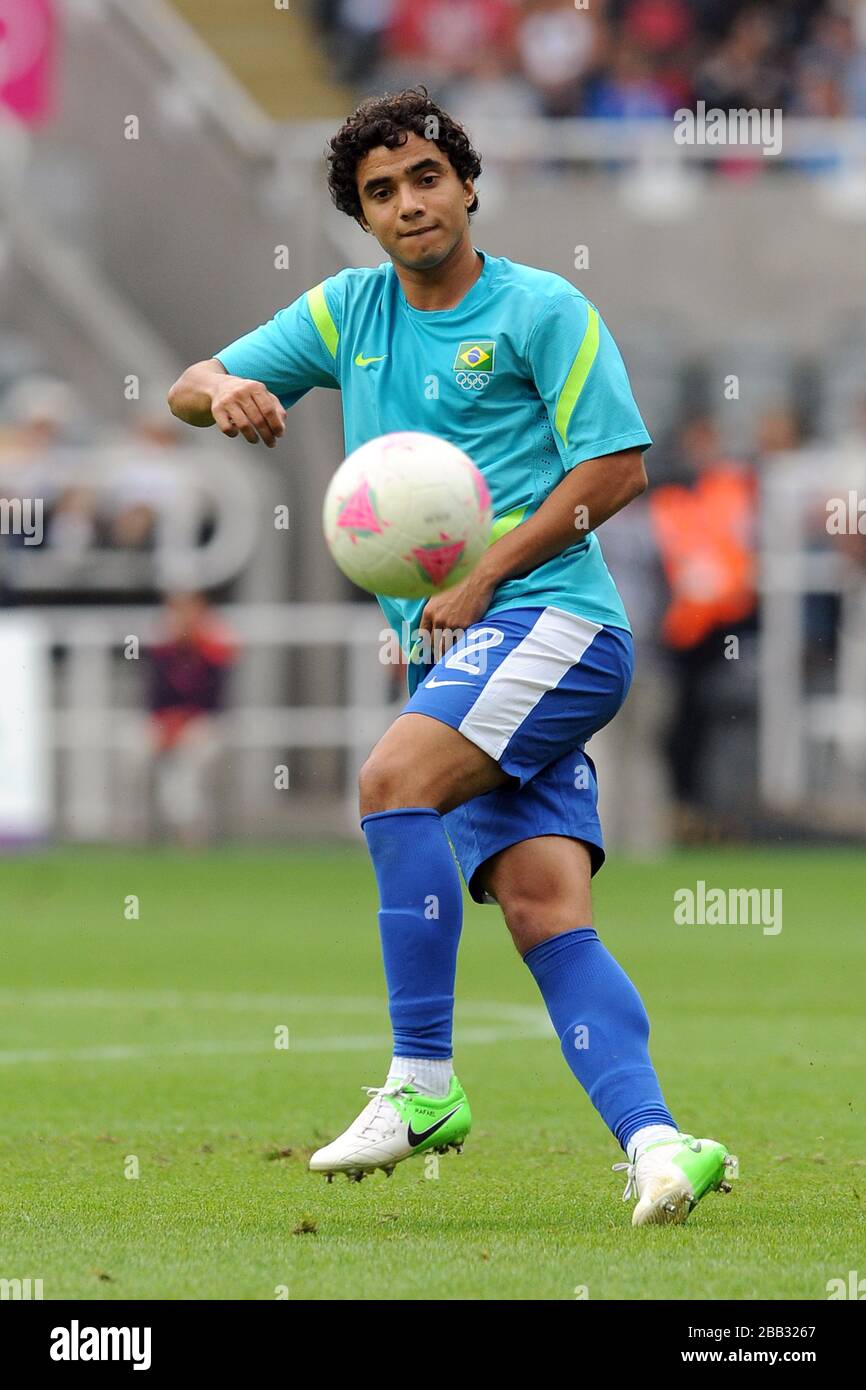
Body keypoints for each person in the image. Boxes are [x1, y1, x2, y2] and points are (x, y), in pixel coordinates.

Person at [167, 88, 736, 1226]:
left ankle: (422, 1081)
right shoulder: (347, 315)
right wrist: (226, 388)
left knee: (388, 782)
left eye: (425, 177)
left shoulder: (540, 308)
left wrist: (483, 574)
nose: (407, 202)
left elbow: (616, 469)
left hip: (559, 627)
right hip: (460, 657)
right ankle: (661, 1145)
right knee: (541, 910)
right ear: (362, 217)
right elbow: (189, 384)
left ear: (466, 185)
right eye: (380, 191)